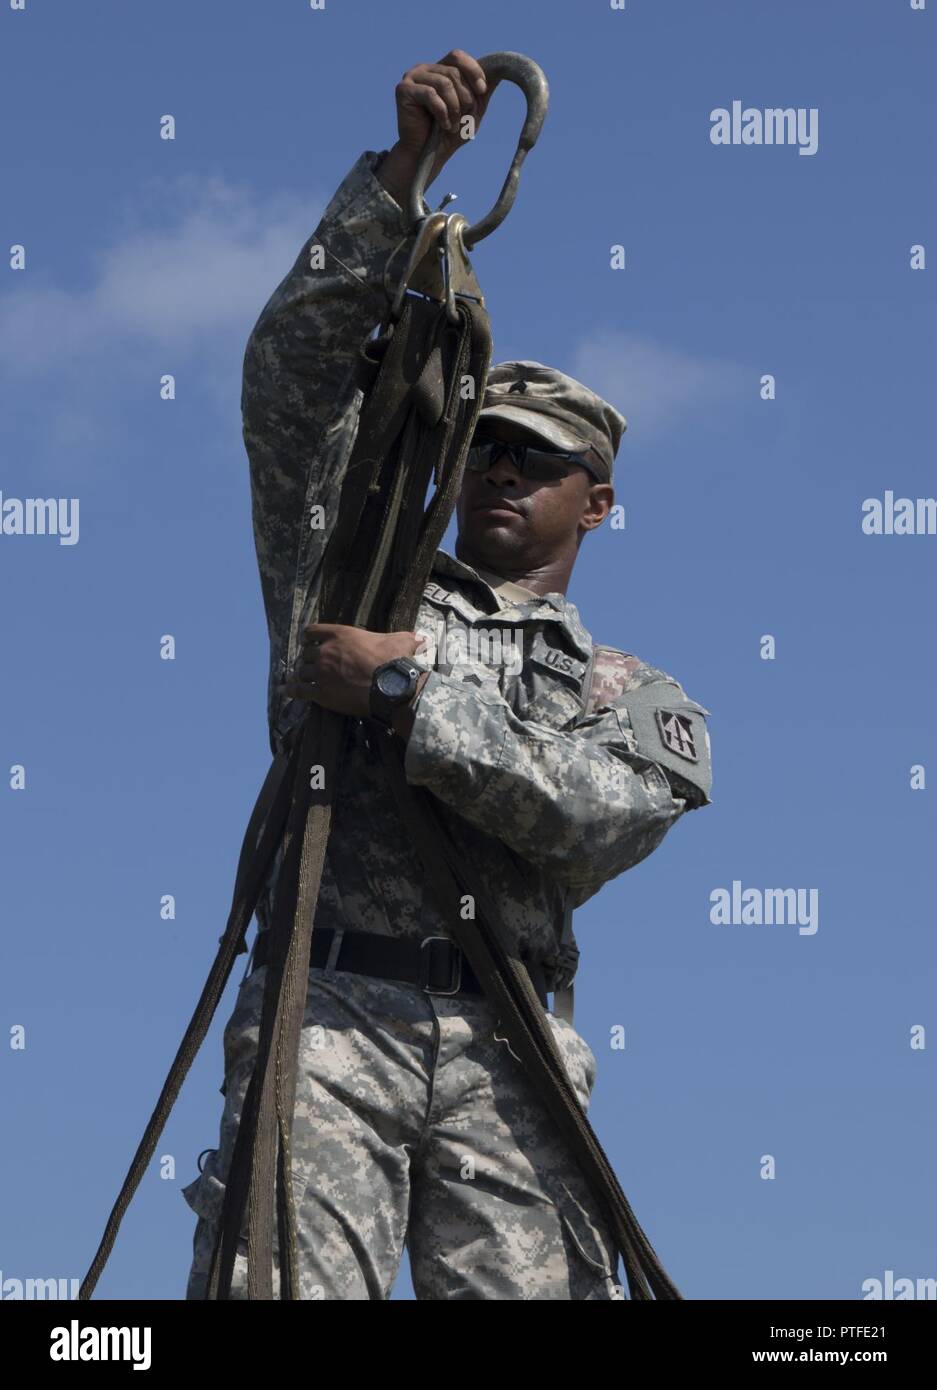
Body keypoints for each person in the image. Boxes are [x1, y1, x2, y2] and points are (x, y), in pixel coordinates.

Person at [181, 49, 712, 1301]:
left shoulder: (633, 691)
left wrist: (410, 696)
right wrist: (399, 180)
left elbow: (594, 820)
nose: (502, 469)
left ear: (600, 500)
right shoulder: (360, 576)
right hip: (327, 1007)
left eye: (540, 456)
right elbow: (289, 386)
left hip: (509, 1042)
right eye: (484, 446)